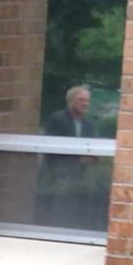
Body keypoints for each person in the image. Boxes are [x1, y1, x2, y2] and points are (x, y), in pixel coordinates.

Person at [35, 85, 107, 232]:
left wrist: (94, 157)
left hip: (81, 176)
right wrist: (76, 160)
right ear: (70, 101)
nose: (85, 104)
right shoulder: (57, 119)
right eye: (81, 100)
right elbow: (51, 148)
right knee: (60, 207)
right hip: (57, 175)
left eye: (87, 101)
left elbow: (93, 147)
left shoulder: (89, 124)